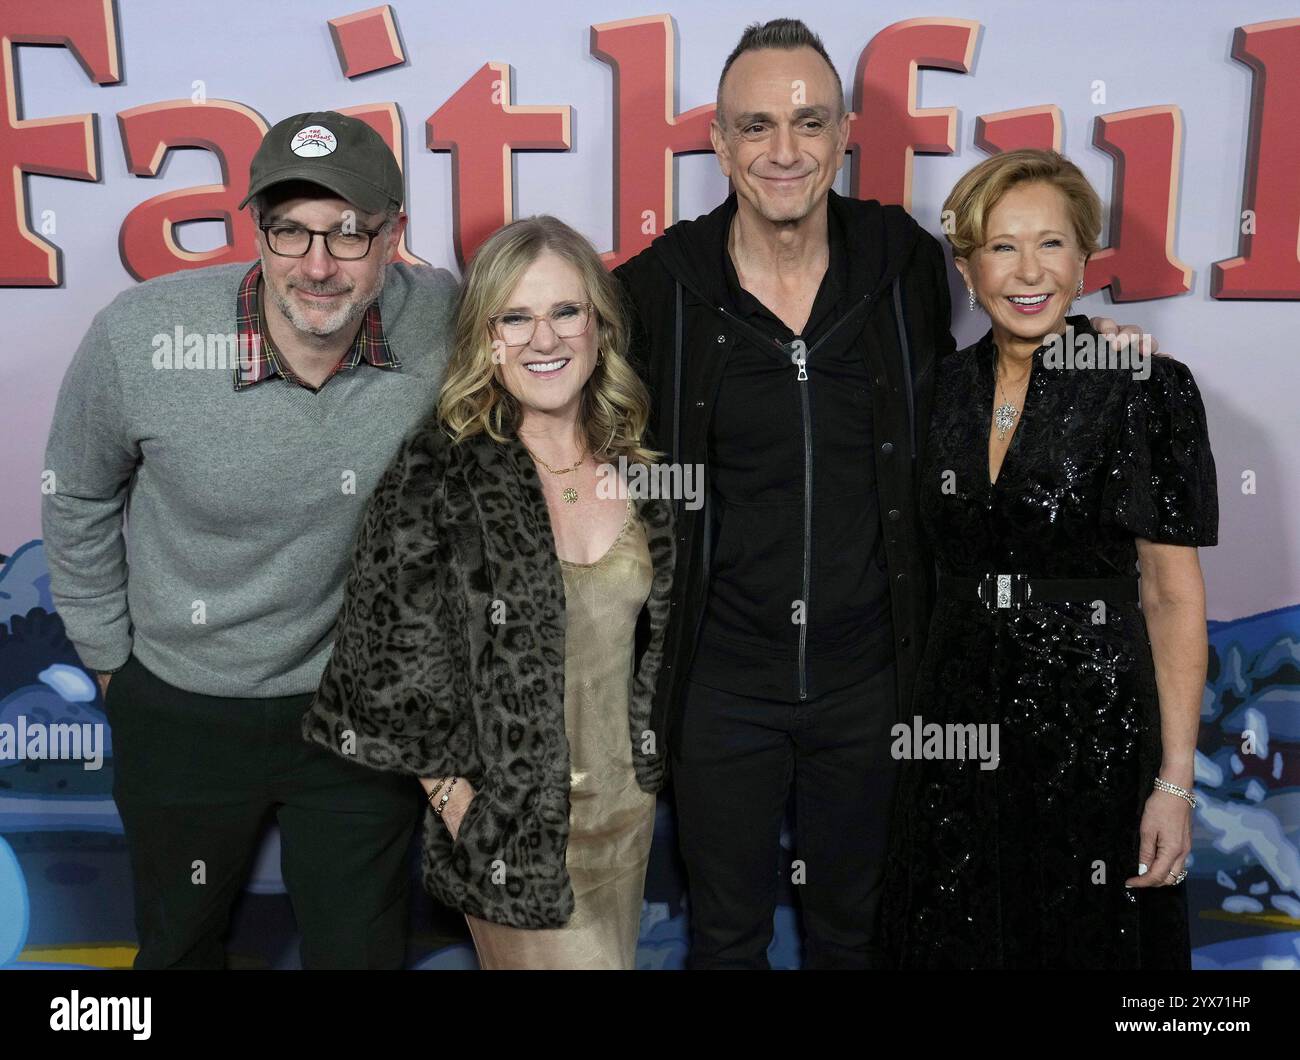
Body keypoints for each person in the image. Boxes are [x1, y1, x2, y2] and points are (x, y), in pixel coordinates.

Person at [613, 17, 1157, 969]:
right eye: (755, 127)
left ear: (845, 133)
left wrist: (1079, 348)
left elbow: (989, 370)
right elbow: (575, 426)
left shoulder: (900, 259)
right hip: (718, 686)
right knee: (725, 938)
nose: (784, 151)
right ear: (717, 141)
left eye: (809, 122)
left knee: (860, 936)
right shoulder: (658, 289)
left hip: (878, 681)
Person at [41, 110, 459, 968]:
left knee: (360, 951)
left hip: (356, 706)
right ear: (257, 233)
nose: (315, 265)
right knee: (180, 945)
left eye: (348, 234)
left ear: (394, 239)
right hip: (182, 703)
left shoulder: (444, 323)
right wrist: (110, 660)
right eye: (289, 231)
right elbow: (77, 492)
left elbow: (569, 336)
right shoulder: (143, 338)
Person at [302, 215, 677, 970]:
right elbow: (384, 664)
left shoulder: (639, 466)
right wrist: (455, 802)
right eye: (516, 317)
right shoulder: (438, 474)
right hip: (512, 838)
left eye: (566, 311)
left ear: (599, 327)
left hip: (627, 820)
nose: (545, 339)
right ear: (487, 338)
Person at [883, 148, 1217, 968]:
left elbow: (1172, 597)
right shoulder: (939, 391)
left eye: (1051, 244)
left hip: (1094, 734)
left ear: (1084, 260)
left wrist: (1174, 783)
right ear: (966, 269)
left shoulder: (1140, 385)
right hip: (955, 725)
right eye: (1001, 247)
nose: (1027, 271)